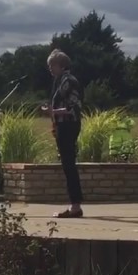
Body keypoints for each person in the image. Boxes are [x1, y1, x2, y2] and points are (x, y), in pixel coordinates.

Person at [41, 50, 84, 218]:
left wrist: (53, 111)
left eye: (52, 65)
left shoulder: (69, 81)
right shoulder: (60, 81)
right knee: (67, 165)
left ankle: (75, 205)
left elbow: (74, 108)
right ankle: (75, 203)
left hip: (69, 126)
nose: (50, 68)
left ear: (62, 65)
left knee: (69, 165)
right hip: (62, 126)